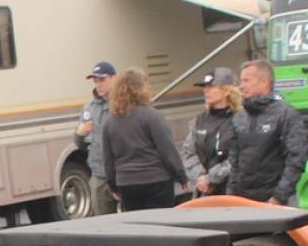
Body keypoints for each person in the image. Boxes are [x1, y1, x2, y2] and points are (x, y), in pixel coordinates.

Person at [99, 67, 189, 211]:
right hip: (157, 180)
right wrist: (181, 176)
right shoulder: (153, 116)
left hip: (126, 183)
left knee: (136, 229)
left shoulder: (110, 122)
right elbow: (167, 150)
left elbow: (108, 159)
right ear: (142, 89)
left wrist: (113, 185)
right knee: (161, 226)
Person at [229, 59, 308, 205]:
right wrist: (232, 195)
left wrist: (279, 197)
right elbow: (234, 161)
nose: (241, 86)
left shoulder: (287, 114)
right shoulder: (239, 118)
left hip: (277, 201)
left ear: (264, 82)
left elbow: (296, 159)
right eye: (241, 81)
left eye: (246, 81)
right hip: (243, 201)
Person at [182, 67, 240, 198]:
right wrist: (200, 176)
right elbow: (188, 152)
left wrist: (213, 178)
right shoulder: (199, 120)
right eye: (204, 87)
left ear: (226, 91)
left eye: (211, 86)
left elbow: (242, 156)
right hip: (205, 192)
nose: (206, 90)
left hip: (234, 191)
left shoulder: (241, 119)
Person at [75, 61, 118, 215]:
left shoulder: (123, 104)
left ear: (113, 78)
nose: (98, 85)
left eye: (102, 80)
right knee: (103, 224)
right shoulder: (89, 108)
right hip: (99, 176)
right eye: (96, 81)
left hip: (123, 173)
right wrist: (80, 133)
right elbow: (79, 144)